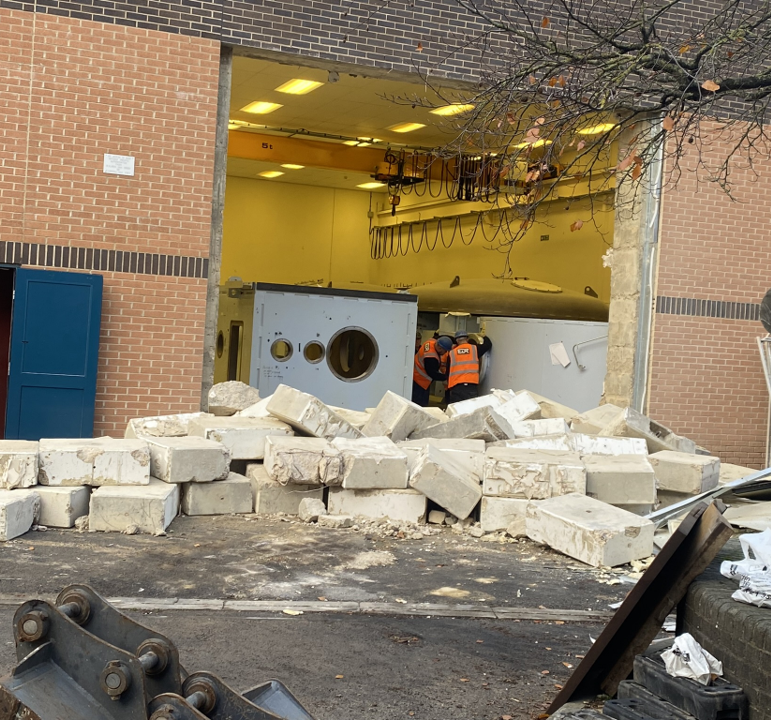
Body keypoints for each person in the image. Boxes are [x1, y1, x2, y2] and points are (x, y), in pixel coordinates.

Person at [445, 330, 492, 404]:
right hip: (470, 386)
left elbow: (447, 372)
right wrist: (483, 336)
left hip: (456, 387)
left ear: (457, 340)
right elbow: (488, 345)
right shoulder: (474, 349)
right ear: (467, 339)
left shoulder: (452, 353)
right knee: (470, 411)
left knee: (456, 411)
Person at [412, 335, 453, 406]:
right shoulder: (431, 357)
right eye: (445, 350)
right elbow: (432, 373)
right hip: (420, 381)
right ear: (440, 348)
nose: (445, 353)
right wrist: (446, 377)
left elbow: (441, 336)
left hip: (415, 376)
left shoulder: (431, 341)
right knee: (420, 405)